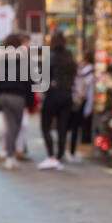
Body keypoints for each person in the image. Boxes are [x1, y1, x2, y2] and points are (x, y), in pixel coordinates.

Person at [0, 33, 33, 170]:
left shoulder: (1, 59)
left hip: (3, 96)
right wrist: (30, 102)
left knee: (11, 126)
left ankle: (9, 155)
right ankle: (9, 156)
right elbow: (28, 82)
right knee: (15, 127)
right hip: (18, 97)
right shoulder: (22, 59)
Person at [37, 31, 76, 170]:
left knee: (45, 126)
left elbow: (43, 77)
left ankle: (51, 156)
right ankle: (59, 157)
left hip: (53, 95)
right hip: (67, 95)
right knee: (62, 127)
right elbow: (74, 74)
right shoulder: (69, 56)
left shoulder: (50, 56)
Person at [65, 54, 95, 162]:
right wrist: (88, 108)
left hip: (71, 100)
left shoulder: (77, 70)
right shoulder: (90, 73)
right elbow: (90, 93)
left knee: (67, 127)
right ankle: (71, 152)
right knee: (74, 129)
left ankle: (65, 151)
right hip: (80, 102)